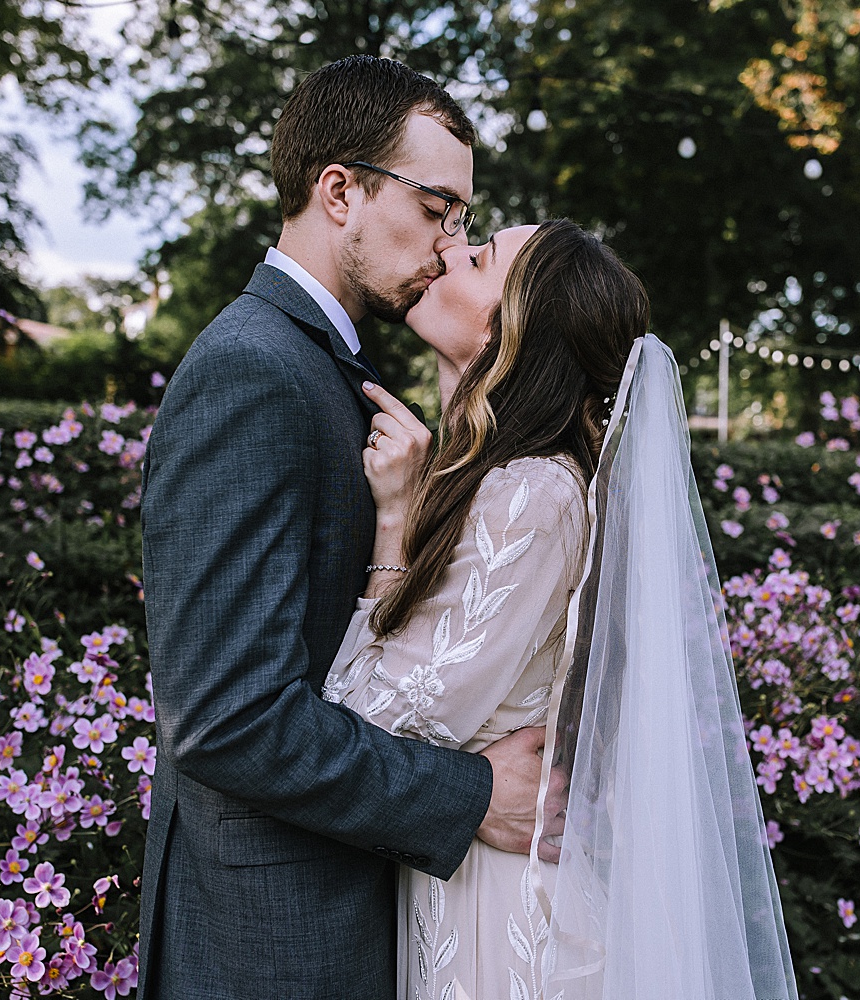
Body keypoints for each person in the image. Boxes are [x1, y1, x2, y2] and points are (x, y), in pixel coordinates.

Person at [138, 56, 564, 1000]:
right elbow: (225, 718)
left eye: (463, 218)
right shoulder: (251, 370)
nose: (450, 243)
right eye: (436, 207)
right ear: (340, 191)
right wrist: (471, 795)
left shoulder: (326, 366)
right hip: (272, 945)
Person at [328, 220, 801, 999]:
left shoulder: (530, 494)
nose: (448, 250)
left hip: (504, 920)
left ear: (505, 328)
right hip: (467, 884)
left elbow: (367, 718)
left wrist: (391, 527)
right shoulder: (497, 478)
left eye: (479, 256)